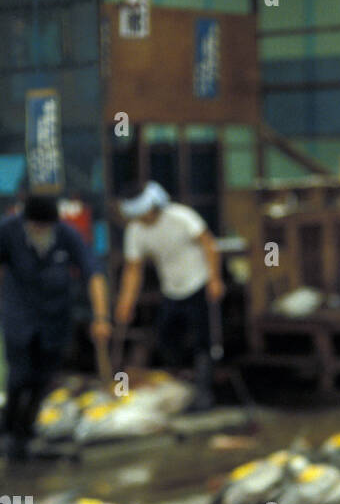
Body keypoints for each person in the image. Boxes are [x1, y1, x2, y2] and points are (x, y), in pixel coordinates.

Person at [0, 193, 110, 463]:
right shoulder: (8, 232)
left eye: (46, 227)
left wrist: (101, 317)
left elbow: (93, 274)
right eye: (36, 227)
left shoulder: (67, 235)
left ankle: (25, 433)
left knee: (42, 378)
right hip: (19, 316)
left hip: (55, 319)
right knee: (19, 376)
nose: (41, 232)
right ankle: (9, 432)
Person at [114, 182, 223, 410]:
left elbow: (209, 245)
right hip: (171, 290)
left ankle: (204, 395)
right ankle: (180, 387)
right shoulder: (136, 231)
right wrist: (126, 301)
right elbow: (133, 269)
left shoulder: (181, 216)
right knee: (167, 338)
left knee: (204, 341)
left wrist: (214, 278)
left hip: (198, 283)